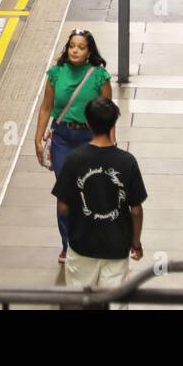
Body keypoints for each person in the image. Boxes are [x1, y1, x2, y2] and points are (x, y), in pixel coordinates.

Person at [52, 97, 147, 295]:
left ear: (87, 123)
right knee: (114, 302)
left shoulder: (74, 159)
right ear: (113, 123)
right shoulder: (127, 161)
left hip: (81, 246)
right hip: (116, 247)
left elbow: (62, 206)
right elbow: (136, 210)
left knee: (79, 302)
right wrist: (135, 243)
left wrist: (77, 226)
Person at [34, 29, 113, 264]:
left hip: (91, 138)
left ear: (89, 52)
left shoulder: (100, 76)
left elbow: (108, 112)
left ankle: (91, 236)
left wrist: (110, 143)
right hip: (62, 139)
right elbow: (46, 108)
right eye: (71, 46)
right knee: (65, 194)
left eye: (80, 47)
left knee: (90, 189)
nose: (75, 50)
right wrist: (38, 139)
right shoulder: (55, 74)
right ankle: (68, 244)